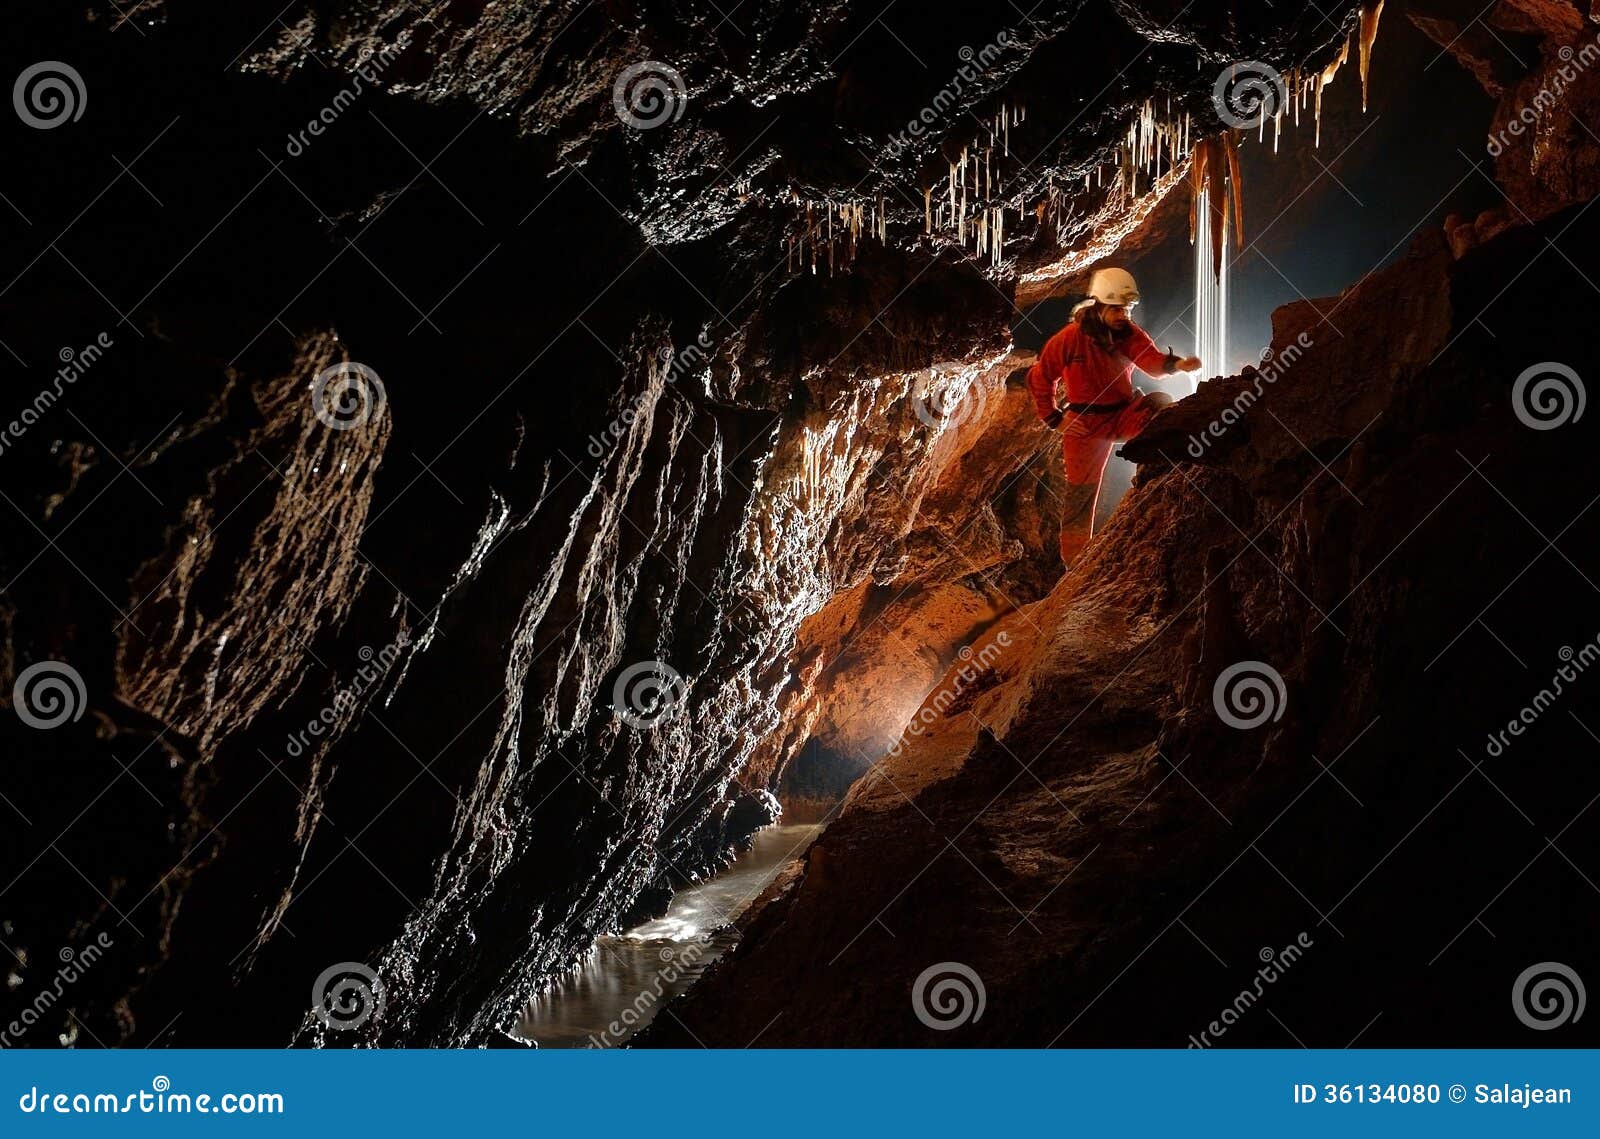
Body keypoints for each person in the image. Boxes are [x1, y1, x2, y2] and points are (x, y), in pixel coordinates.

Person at [1026, 267, 1201, 566]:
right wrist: (1055, 418)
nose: (1124, 316)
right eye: (1118, 309)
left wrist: (1178, 365)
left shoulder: (1128, 334)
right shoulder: (1070, 339)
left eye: (1128, 309)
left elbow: (1151, 361)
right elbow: (1040, 377)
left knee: (1161, 407)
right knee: (1080, 496)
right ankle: (1075, 567)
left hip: (1122, 415)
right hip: (1085, 426)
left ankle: (1162, 490)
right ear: (1101, 306)